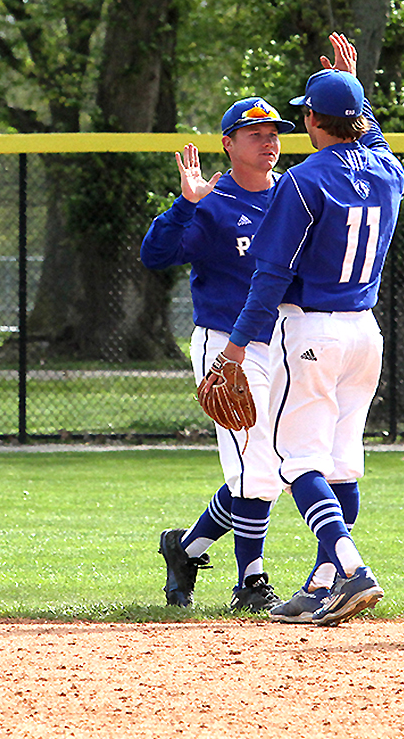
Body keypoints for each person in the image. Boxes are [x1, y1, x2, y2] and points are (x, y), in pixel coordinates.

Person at [205, 36, 404, 627]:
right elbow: (373, 138)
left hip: (310, 333)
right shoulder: (388, 171)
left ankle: (349, 566)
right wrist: (355, 93)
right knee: (341, 464)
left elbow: (269, 278)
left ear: (310, 120)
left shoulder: (301, 181)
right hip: (365, 333)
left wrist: (237, 347)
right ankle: (321, 583)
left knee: (294, 461)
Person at [142, 96, 297, 613]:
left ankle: (185, 549)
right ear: (228, 144)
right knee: (254, 471)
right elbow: (154, 256)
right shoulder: (211, 200)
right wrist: (186, 203)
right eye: (255, 134)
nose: (269, 141)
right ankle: (250, 581)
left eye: (274, 133)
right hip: (225, 345)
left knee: (273, 469)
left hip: (286, 344)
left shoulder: (294, 196)